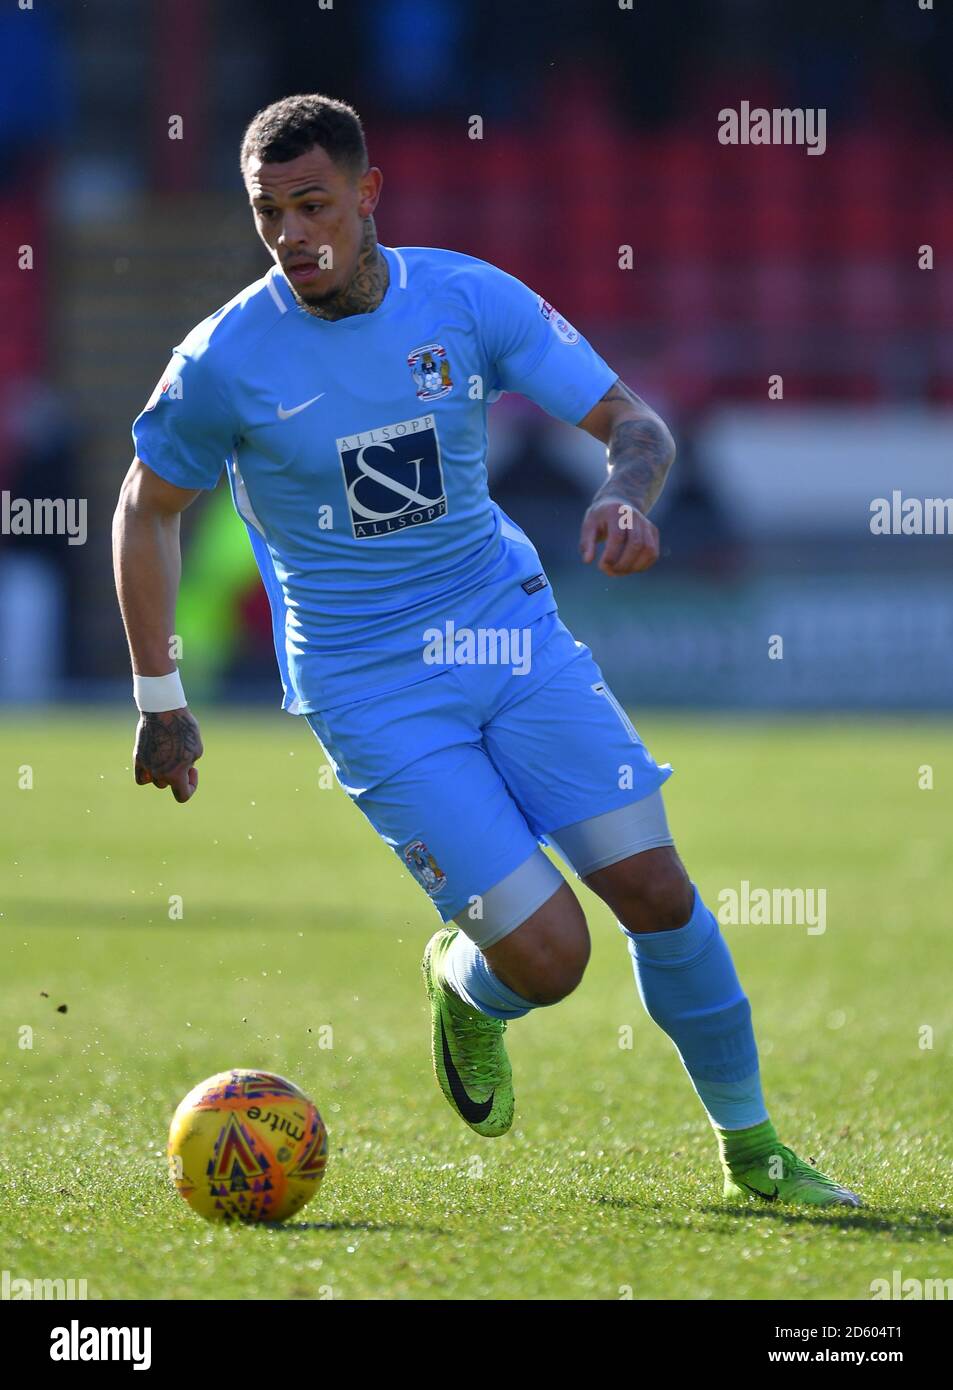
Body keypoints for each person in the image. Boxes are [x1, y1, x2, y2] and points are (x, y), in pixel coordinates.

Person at [112, 94, 860, 1208]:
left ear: (369, 196)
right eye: (267, 213)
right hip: (368, 687)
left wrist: (625, 498)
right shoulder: (225, 359)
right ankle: (467, 989)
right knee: (551, 962)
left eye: (312, 204)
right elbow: (145, 505)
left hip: (508, 631)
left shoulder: (464, 299)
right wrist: (158, 695)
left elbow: (635, 426)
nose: (291, 235)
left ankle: (753, 1148)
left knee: (655, 891)